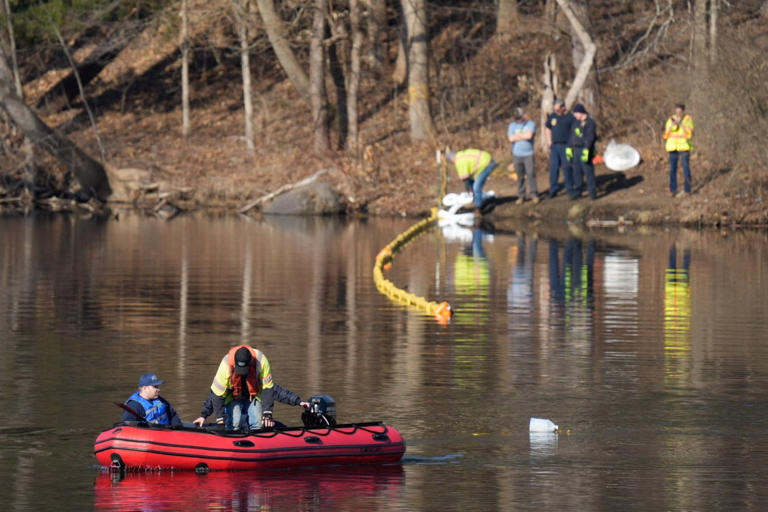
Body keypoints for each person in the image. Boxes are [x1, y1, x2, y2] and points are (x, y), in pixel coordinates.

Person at [192, 345, 276, 431]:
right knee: (234, 422)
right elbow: (217, 395)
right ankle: (232, 434)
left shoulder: (261, 361)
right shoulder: (225, 366)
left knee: (257, 422)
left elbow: (268, 389)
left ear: (250, 362)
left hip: (253, 396)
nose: (242, 373)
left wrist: (267, 413)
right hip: (233, 397)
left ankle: (257, 439)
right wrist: (207, 416)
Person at [195, 384, 310, 428]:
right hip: (234, 416)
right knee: (237, 419)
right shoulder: (228, 378)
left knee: (274, 425)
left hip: (251, 416)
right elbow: (215, 396)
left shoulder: (256, 378)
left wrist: (298, 401)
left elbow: (275, 391)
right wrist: (203, 415)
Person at [446, 148, 498, 215]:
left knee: (476, 187)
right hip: (485, 160)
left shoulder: (459, 161)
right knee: (474, 184)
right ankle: (476, 200)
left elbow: (465, 179)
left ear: (452, 159)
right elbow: (468, 178)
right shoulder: (461, 154)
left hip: (486, 164)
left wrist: (469, 190)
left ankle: (478, 208)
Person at [544, 98, 575, 198]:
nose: (556, 112)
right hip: (555, 146)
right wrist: (549, 142)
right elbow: (548, 128)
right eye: (554, 110)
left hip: (567, 146)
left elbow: (575, 131)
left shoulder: (570, 117)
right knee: (554, 168)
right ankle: (553, 189)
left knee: (567, 167)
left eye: (558, 110)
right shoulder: (553, 116)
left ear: (563, 108)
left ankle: (570, 189)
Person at [567, 103, 598, 200]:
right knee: (576, 172)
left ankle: (592, 192)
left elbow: (590, 138)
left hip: (585, 149)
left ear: (581, 112)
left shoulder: (590, 123)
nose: (574, 116)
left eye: (576, 113)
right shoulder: (575, 123)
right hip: (576, 149)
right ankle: (578, 191)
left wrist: (587, 149)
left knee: (588, 171)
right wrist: (569, 148)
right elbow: (571, 137)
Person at [507, 107, 538, 204]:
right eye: (517, 118)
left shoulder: (531, 124)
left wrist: (517, 137)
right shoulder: (512, 126)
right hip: (517, 154)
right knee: (520, 176)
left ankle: (534, 194)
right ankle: (521, 195)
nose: (519, 120)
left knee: (530, 174)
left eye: (520, 117)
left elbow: (529, 136)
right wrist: (523, 136)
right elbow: (511, 139)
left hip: (528, 154)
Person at [662, 103, 694, 197]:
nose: (678, 112)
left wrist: (681, 124)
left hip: (684, 147)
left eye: (680, 110)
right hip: (672, 147)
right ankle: (672, 190)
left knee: (686, 168)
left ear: (683, 111)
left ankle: (687, 190)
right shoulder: (671, 119)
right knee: (672, 169)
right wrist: (672, 125)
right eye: (677, 110)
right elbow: (666, 133)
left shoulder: (688, 119)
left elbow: (690, 133)